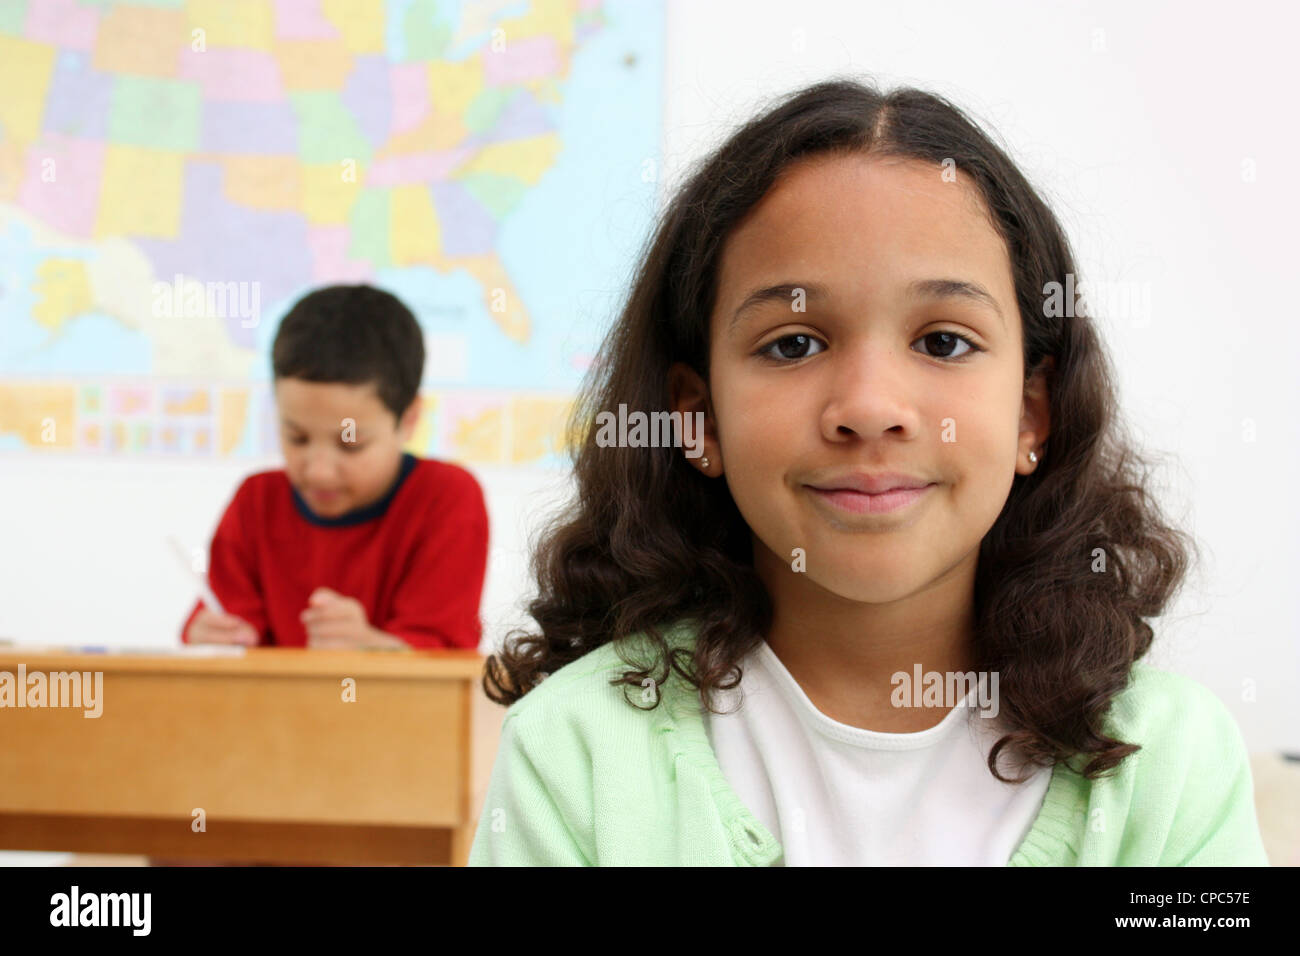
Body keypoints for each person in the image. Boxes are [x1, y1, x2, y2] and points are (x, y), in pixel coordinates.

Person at [467, 79, 1269, 865]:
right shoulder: (574, 756)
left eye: (944, 341)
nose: (871, 407)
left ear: (1032, 414)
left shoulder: (1168, 763)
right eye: (793, 344)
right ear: (697, 417)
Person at [181, 284, 488, 650]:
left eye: (350, 444)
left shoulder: (447, 498)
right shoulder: (256, 501)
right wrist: (208, 640)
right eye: (297, 438)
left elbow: (445, 669)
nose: (319, 472)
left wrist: (371, 649)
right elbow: (227, 637)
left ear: (408, 420)